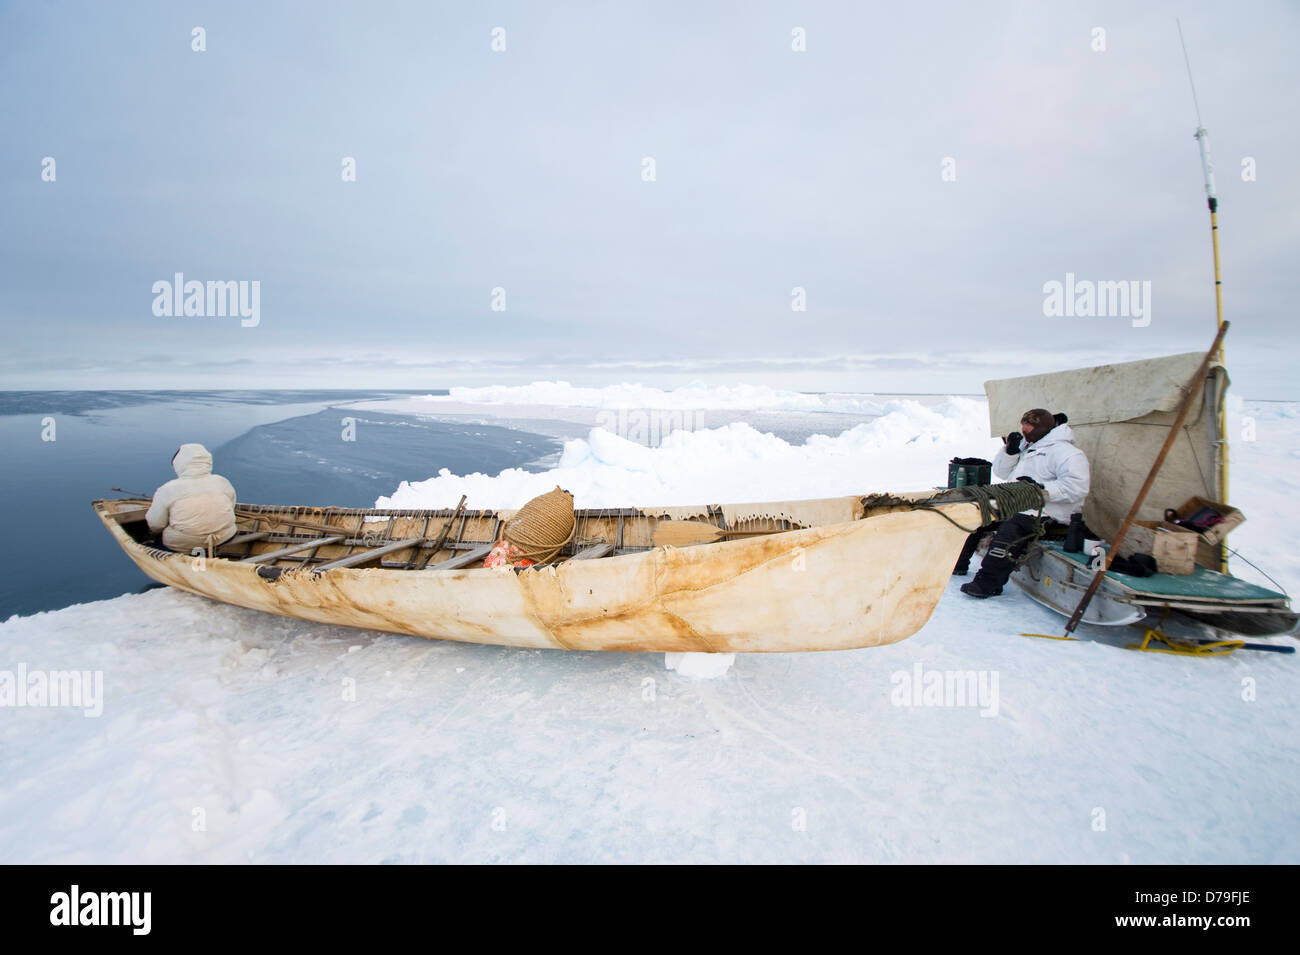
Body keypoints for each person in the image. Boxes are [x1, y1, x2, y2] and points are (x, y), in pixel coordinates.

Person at [955, 408, 1090, 598]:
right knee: (978, 515)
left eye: (1029, 425)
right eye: (1023, 424)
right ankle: (958, 564)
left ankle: (987, 583)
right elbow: (1002, 473)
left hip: (1049, 514)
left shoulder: (1067, 453)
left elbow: (1077, 487)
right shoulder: (1029, 447)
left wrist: (1040, 489)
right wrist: (1009, 452)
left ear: (1042, 428)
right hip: (1018, 505)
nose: (1024, 429)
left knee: (1011, 531)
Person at [145, 443, 238, 554]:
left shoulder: (168, 489)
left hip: (186, 543)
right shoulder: (222, 481)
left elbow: (156, 524)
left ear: (179, 464)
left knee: (153, 543)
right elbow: (231, 506)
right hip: (225, 536)